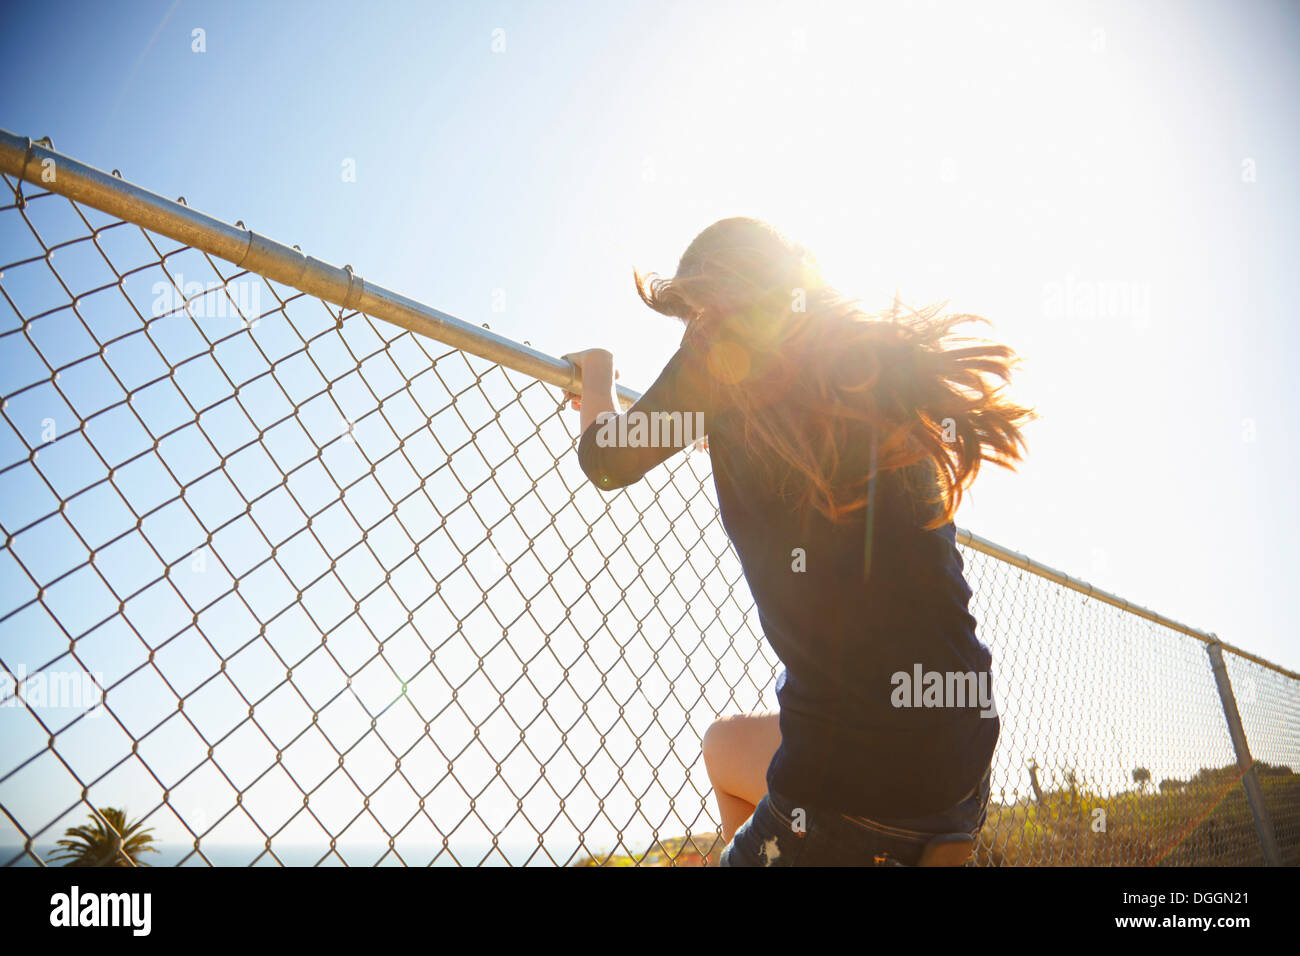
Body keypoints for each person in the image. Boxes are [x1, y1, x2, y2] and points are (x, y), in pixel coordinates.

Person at [561, 217, 1034, 866]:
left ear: (713, 301)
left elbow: (606, 460)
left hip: (853, 778)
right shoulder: (874, 363)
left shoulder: (721, 349)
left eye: (694, 316)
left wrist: (598, 374)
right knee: (724, 746)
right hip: (959, 746)